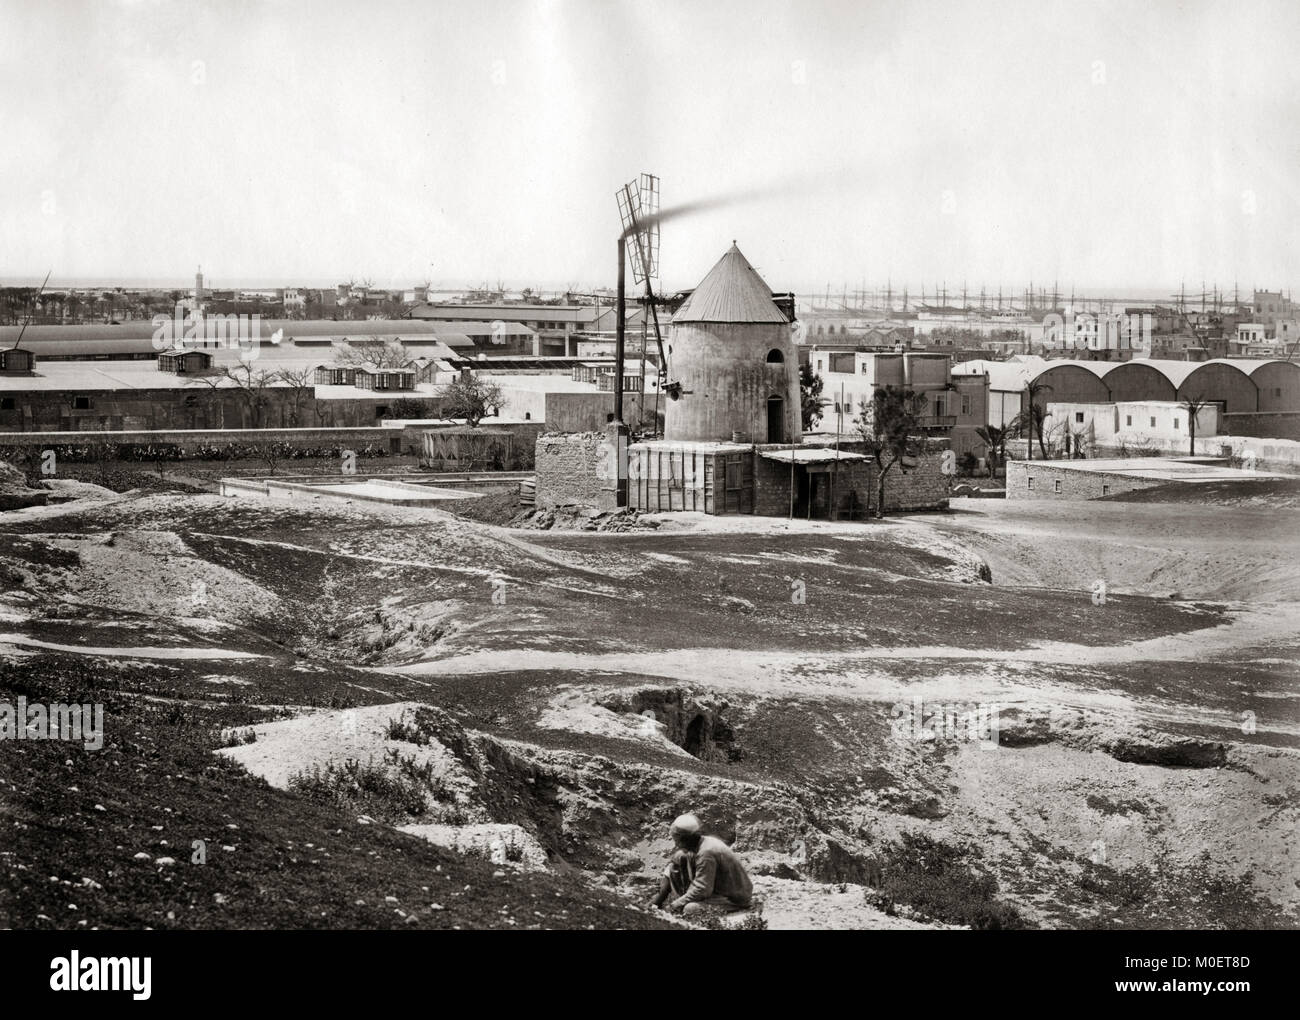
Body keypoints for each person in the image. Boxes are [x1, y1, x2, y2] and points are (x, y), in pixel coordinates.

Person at [650, 813, 753, 916]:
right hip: (718, 890)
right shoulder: (701, 843)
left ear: (686, 839)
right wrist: (658, 900)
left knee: (690, 908)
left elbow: (702, 889)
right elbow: (672, 868)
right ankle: (661, 903)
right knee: (679, 856)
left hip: (734, 898)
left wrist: (675, 905)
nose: (676, 844)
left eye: (677, 840)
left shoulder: (706, 853)